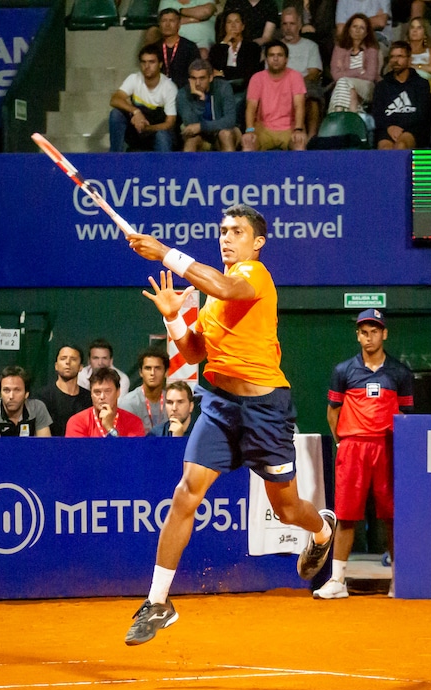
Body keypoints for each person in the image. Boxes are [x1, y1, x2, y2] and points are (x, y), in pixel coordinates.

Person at [122, 205, 338, 646]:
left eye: (237, 232)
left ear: (257, 242)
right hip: (220, 405)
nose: (226, 238)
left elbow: (223, 284)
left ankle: (321, 531)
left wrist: (164, 252)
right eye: (222, 231)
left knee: (287, 509)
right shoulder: (212, 294)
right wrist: (172, 316)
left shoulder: (254, 275)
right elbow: (196, 352)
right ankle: (158, 602)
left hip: (265, 412)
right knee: (186, 492)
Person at [319, 308, 414, 600]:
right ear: (357, 335)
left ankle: (400, 581)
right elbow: (332, 412)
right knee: (346, 516)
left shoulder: (400, 373)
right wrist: (342, 443)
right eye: (364, 332)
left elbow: (408, 417)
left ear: (384, 334)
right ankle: (337, 581)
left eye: (374, 331)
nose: (369, 337)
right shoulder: (343, 371)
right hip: (352, 449)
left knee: (393, 516)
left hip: (387, 449)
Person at [109, 44, 178, 152]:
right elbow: (115, 99)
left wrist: (147, 128)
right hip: (135, 129)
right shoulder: (134, 79)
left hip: (156, 131)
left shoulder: (169, 88)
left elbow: (170, 123)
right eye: (144, 62)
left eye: (151, 62)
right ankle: (115, 157)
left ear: (160, 64)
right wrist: (136, 112)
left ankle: (165, 167)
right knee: (116, 114)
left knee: (163, 135)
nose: (147, 66)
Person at [243, 40, 308, 151]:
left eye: (280, 55)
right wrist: (250, 130)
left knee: (299, 144)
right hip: (263, 128)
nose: (276, 59)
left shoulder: (295, 76)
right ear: (266, 59)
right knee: (248, 144)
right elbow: (251, 107)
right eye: (271, 55)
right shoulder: (257, 78)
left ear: (286, 59)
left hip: (290, 128)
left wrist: (298, 129)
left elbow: (299, 105)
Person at [372, 42, 431, 149]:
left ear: (409, 60)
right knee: (385, 149)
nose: (395, 60)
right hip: (388, 129)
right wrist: (389, 127)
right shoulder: (382, 86)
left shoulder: (421, 84)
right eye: (392, 57)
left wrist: (401, 128)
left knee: (401, 145)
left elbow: (422, 114)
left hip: (414, 130)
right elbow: (377, 113)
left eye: (400, 56)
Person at [177, 58, 241, 150]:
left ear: (210, 77)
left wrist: (202, 126)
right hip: (200, 137)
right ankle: (188, 164)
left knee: (225, 134)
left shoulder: (223, 87)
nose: (197, 83)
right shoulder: (183, 93)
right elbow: (190, 123)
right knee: (191, 140)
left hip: (222, 132)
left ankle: (229, 164)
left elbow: (230, 120)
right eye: (194, 78)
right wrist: (200, 100)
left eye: (202, 78)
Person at [65, 366, 146, 438]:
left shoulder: (133, 422)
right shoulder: (77, 422)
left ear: (118, 392)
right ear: (91, 394)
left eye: (107, 391)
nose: (102, 397)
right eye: (97, 392)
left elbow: (132, 453)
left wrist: (110, 428)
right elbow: (79, 454)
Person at [32, 344, 93, 437]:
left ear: (81, 367)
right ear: (56, 366)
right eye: (63, 358)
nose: (68, 362)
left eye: (73, 359)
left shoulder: (89, 398)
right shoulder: (41, 398)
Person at [281, 6, 324, 136]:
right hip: (279, 87)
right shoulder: (275, 48)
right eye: (285, 24)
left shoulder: (311, 46)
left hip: (305, 87)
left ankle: (311, 140)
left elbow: (313, 73)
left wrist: (295, 86)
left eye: (292, 24)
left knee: (313, 100)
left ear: (299, 25)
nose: (288, 28)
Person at [0, 365, 53, 437]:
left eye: (17, 390)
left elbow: (44, 445)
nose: (11, 396)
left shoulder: (38, 408)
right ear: (0, 393)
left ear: (26, 394)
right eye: (6, 390)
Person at [327, 14, 380, 112]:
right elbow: (335, 75)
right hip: (344, 87)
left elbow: (370, 76)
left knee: (344, 82)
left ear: (366, 33)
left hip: (366, 87)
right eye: (355, 26)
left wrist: (345, 72)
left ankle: (336, 115)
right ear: (349, 29)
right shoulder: (340, 48)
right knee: (347, 87)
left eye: (362, 28)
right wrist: (358, 71)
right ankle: (353, 112)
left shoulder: (371, 50)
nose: (357, 30)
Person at [208, 11, 262, 94]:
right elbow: (215, 68)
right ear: (225, 27)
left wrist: (223, 73)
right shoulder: (217, 48)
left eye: (237, 21)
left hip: (244, 89)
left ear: (243, 26)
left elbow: (247, 72)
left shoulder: (252, 47)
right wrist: (225, 42)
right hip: (221, 90)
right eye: (229, 22)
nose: (233, 25)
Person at [119, 347, 170, 434]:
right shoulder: (127, 403)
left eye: (157, 368)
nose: (152, 373)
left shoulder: (173, 401)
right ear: (140, 372)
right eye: (148, 368)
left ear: (166, 372)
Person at [154, 8, 201, 88]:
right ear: (159, 24)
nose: (167, 24)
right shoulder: (154, 48)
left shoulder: (189, 47)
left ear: (179, 24)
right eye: (164, 21)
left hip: (184, 90)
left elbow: (196, 73)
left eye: (171, 21)